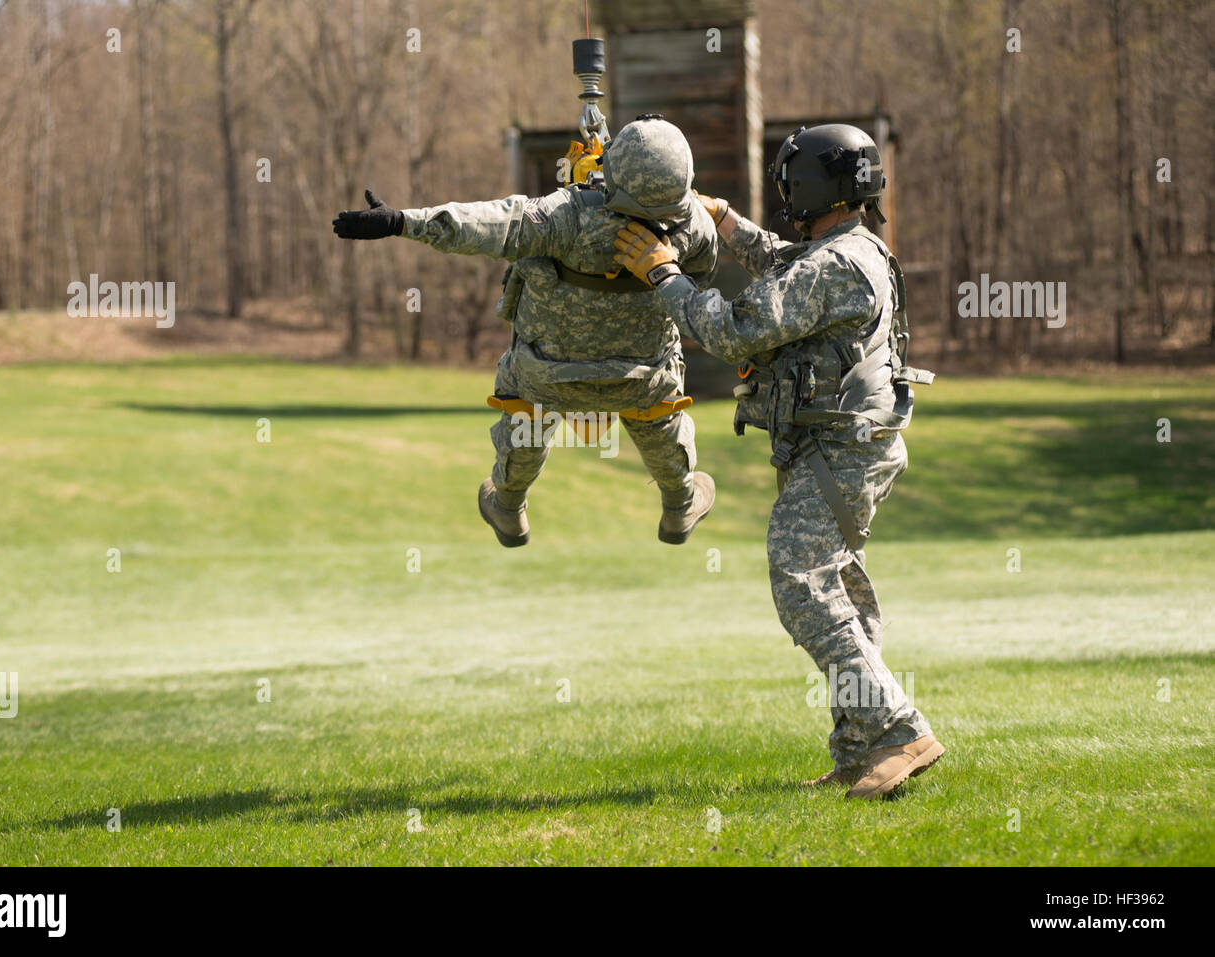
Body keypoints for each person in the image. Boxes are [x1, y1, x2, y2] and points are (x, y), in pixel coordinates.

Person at [612, 123, 943, 800]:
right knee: (841, 589)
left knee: (800, 581)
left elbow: (729, 327)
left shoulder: (831, 265)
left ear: (814, 187)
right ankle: (859, 748)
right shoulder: (854, 250)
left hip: (839, 450)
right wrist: (723, 219)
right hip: (856, 445)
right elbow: (783, 263)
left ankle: (900, 728)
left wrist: (661, 273)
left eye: (792, 182)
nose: (786, 192)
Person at [333, 116, 717, 547]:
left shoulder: (561, 217)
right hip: (643, 381)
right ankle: (679, 502)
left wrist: (401, 222)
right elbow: (699, 276)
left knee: (529, 410)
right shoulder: (696, 226)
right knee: (660, 412)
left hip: (547, 377)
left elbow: (484, 223)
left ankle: (510, 505)